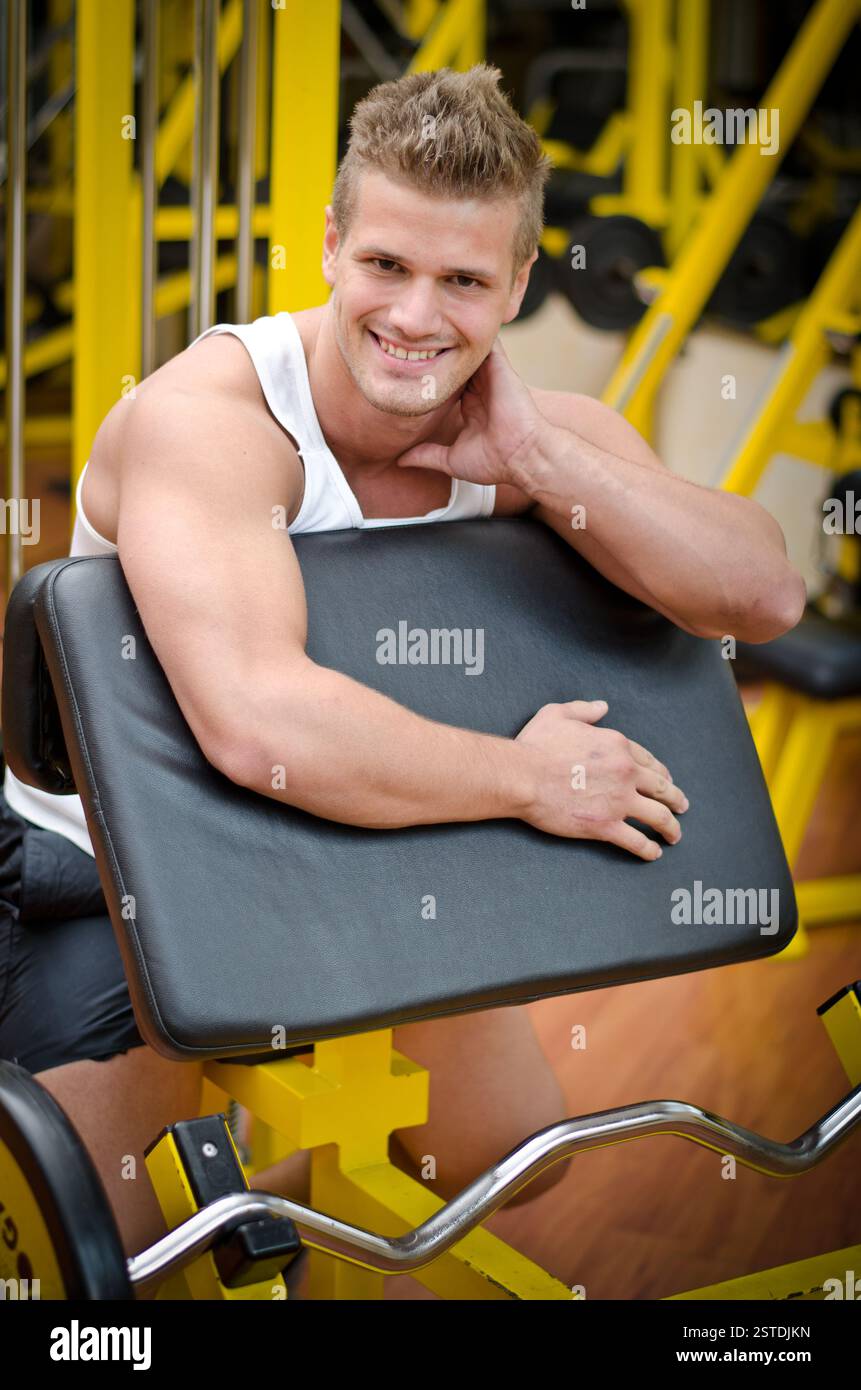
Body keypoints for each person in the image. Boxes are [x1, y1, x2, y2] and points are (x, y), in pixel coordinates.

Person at [0, 64, 806, 1270]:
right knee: (81, 1249)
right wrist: (533, 780)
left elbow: (764, 590)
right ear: (330, 244)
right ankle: (214, 1177)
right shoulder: (211, 422)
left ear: (519, 285)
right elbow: (261, 722)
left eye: (465, 281)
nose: (418, 317)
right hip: (109, 874)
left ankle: (269, 1184)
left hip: (363, 856)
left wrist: (536, 455)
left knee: (510, 1158)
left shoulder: (537, 438)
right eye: (387, 265)